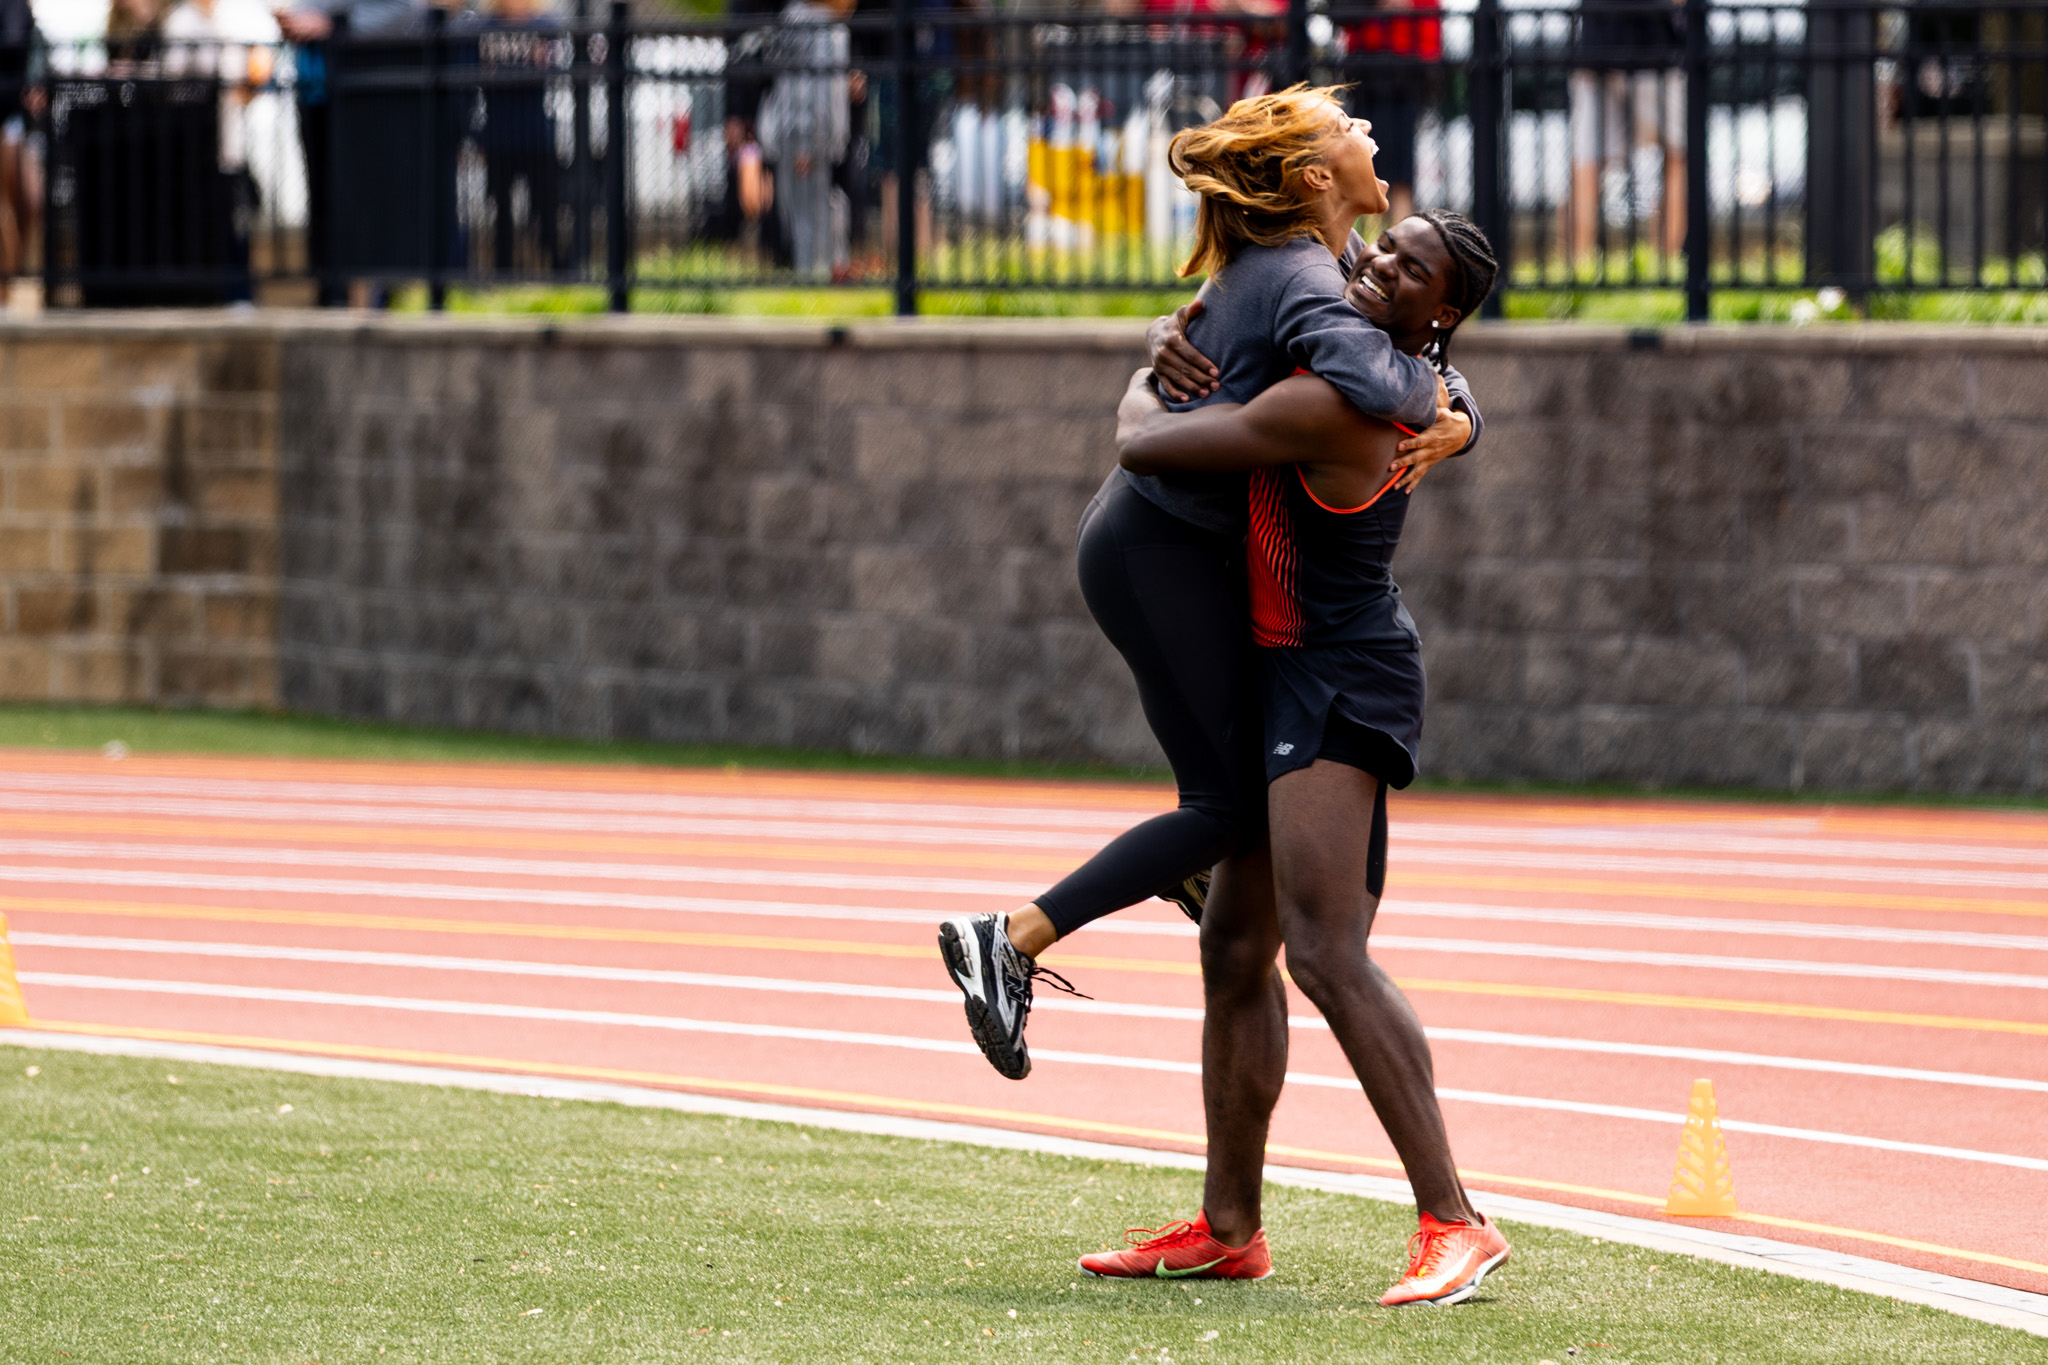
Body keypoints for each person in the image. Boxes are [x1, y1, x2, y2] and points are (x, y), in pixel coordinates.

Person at [937, 85, 1480, 1082]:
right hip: (1161, 553)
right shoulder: (1311, 280)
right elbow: (1379, 377)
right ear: (1319, 177)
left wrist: (1462, 410)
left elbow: (1410, 338)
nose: (1368, 132)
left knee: (1223, 807)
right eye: (1347, 129)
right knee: (1227, 804)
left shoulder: (1323, 263)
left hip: (1162, 548)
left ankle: (1179, 878)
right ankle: (1007, 941)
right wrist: (1443, 406)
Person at [1089, 209, 1510, 1308]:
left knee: (1325, 952)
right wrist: (1166, 332)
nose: (1374, 261)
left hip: (1341, 677)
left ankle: (1455, 1220)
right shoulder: (1362, 355)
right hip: (1294, 669)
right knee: (1233, 946)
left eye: (1408, 266)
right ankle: (1229, 1229)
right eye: (1381, 244)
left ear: (1440, 312)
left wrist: (1145, 381)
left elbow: (1149, 441)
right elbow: (1398, 371)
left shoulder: (1344, 397)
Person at [1568, 0, 1685, 262]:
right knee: (1681, 157)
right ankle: (1663, 263)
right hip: (1652, 47)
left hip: (1595, 43)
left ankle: (1576, 267)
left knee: (1587, 160)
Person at [756, 0, 852, 280]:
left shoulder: (794, 21)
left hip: (799, 135)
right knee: (811, 217)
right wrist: (810, 146)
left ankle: (812, 277)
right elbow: (812, 90)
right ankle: (812, 280)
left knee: (804, 215)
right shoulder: (817, 25)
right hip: (806, 137)